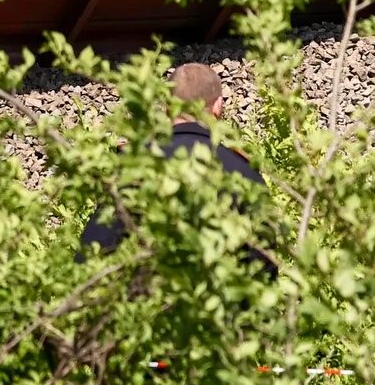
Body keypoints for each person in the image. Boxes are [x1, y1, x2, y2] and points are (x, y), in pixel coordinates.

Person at [81, 62, 272, 272]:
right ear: (218, 106)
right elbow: (264, 267)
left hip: (148, 300)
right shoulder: (244, 172)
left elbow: (93, 252)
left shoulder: (135, 166)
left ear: (167, 107)